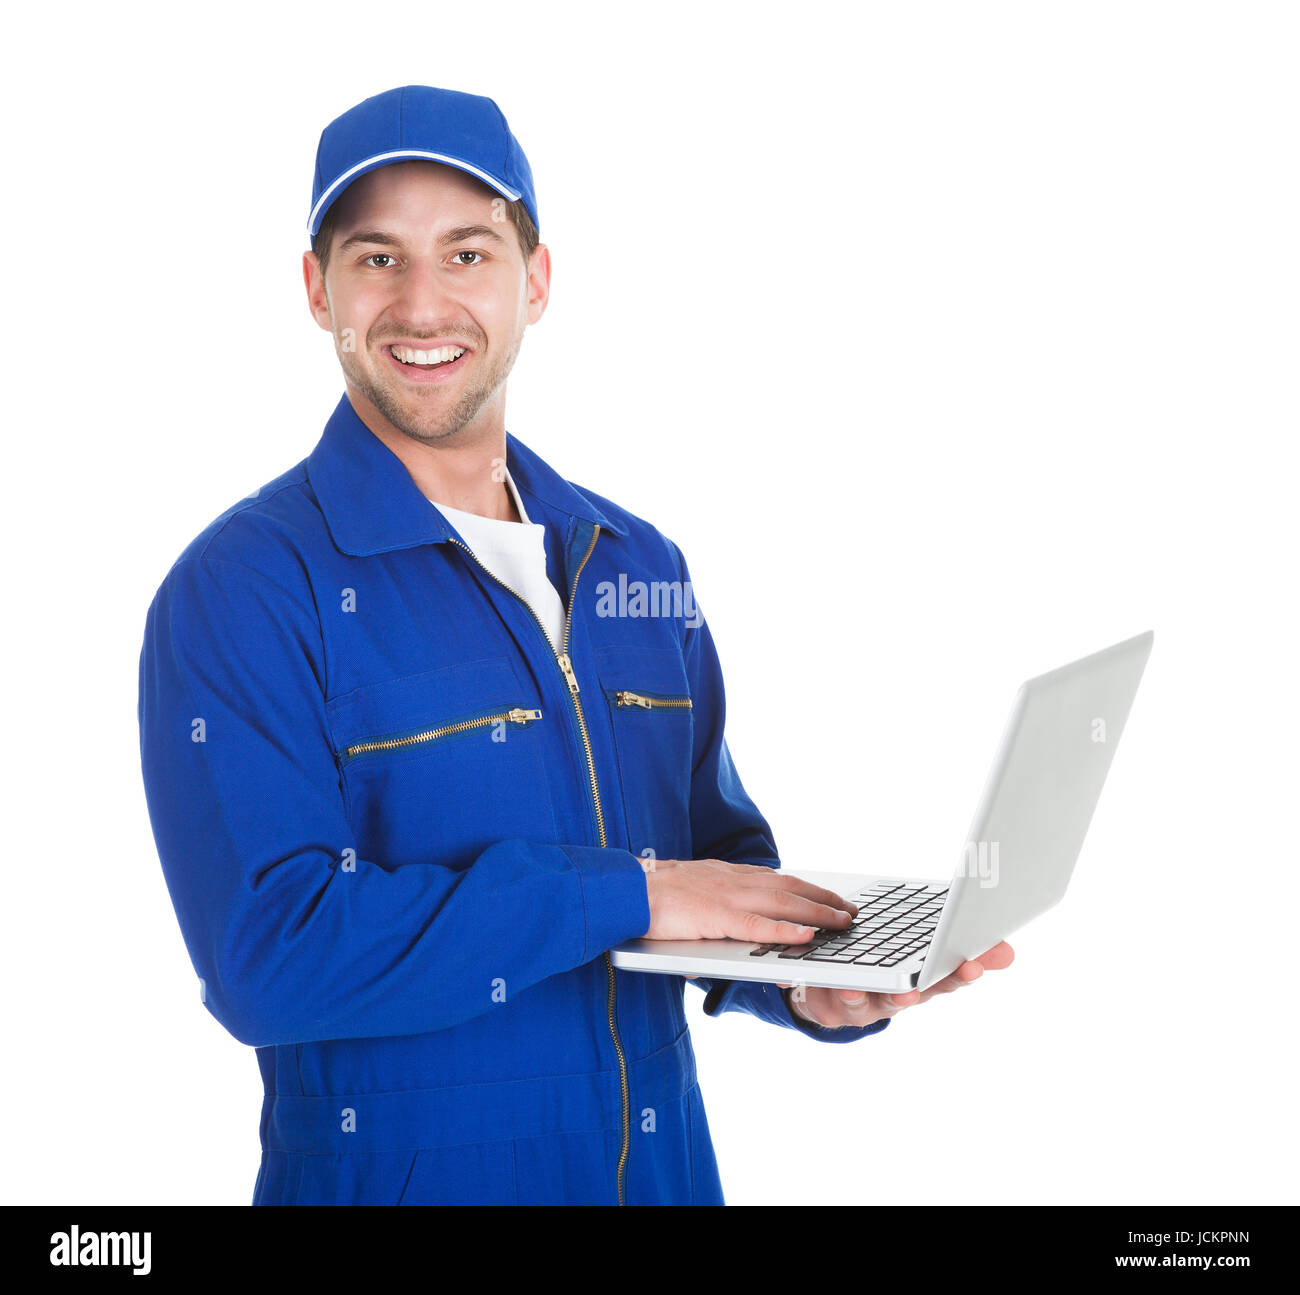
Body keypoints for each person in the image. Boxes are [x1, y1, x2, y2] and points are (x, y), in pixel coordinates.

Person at [137, 84, 1013, 1207]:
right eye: (375, 258)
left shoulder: (634, 562)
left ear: (534, 281)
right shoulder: (246, 588)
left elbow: (710, 861)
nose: (422, 304)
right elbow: (270, 955)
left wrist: (803, 984)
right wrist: (623, 895)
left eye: (466, 253)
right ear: (318, 289)